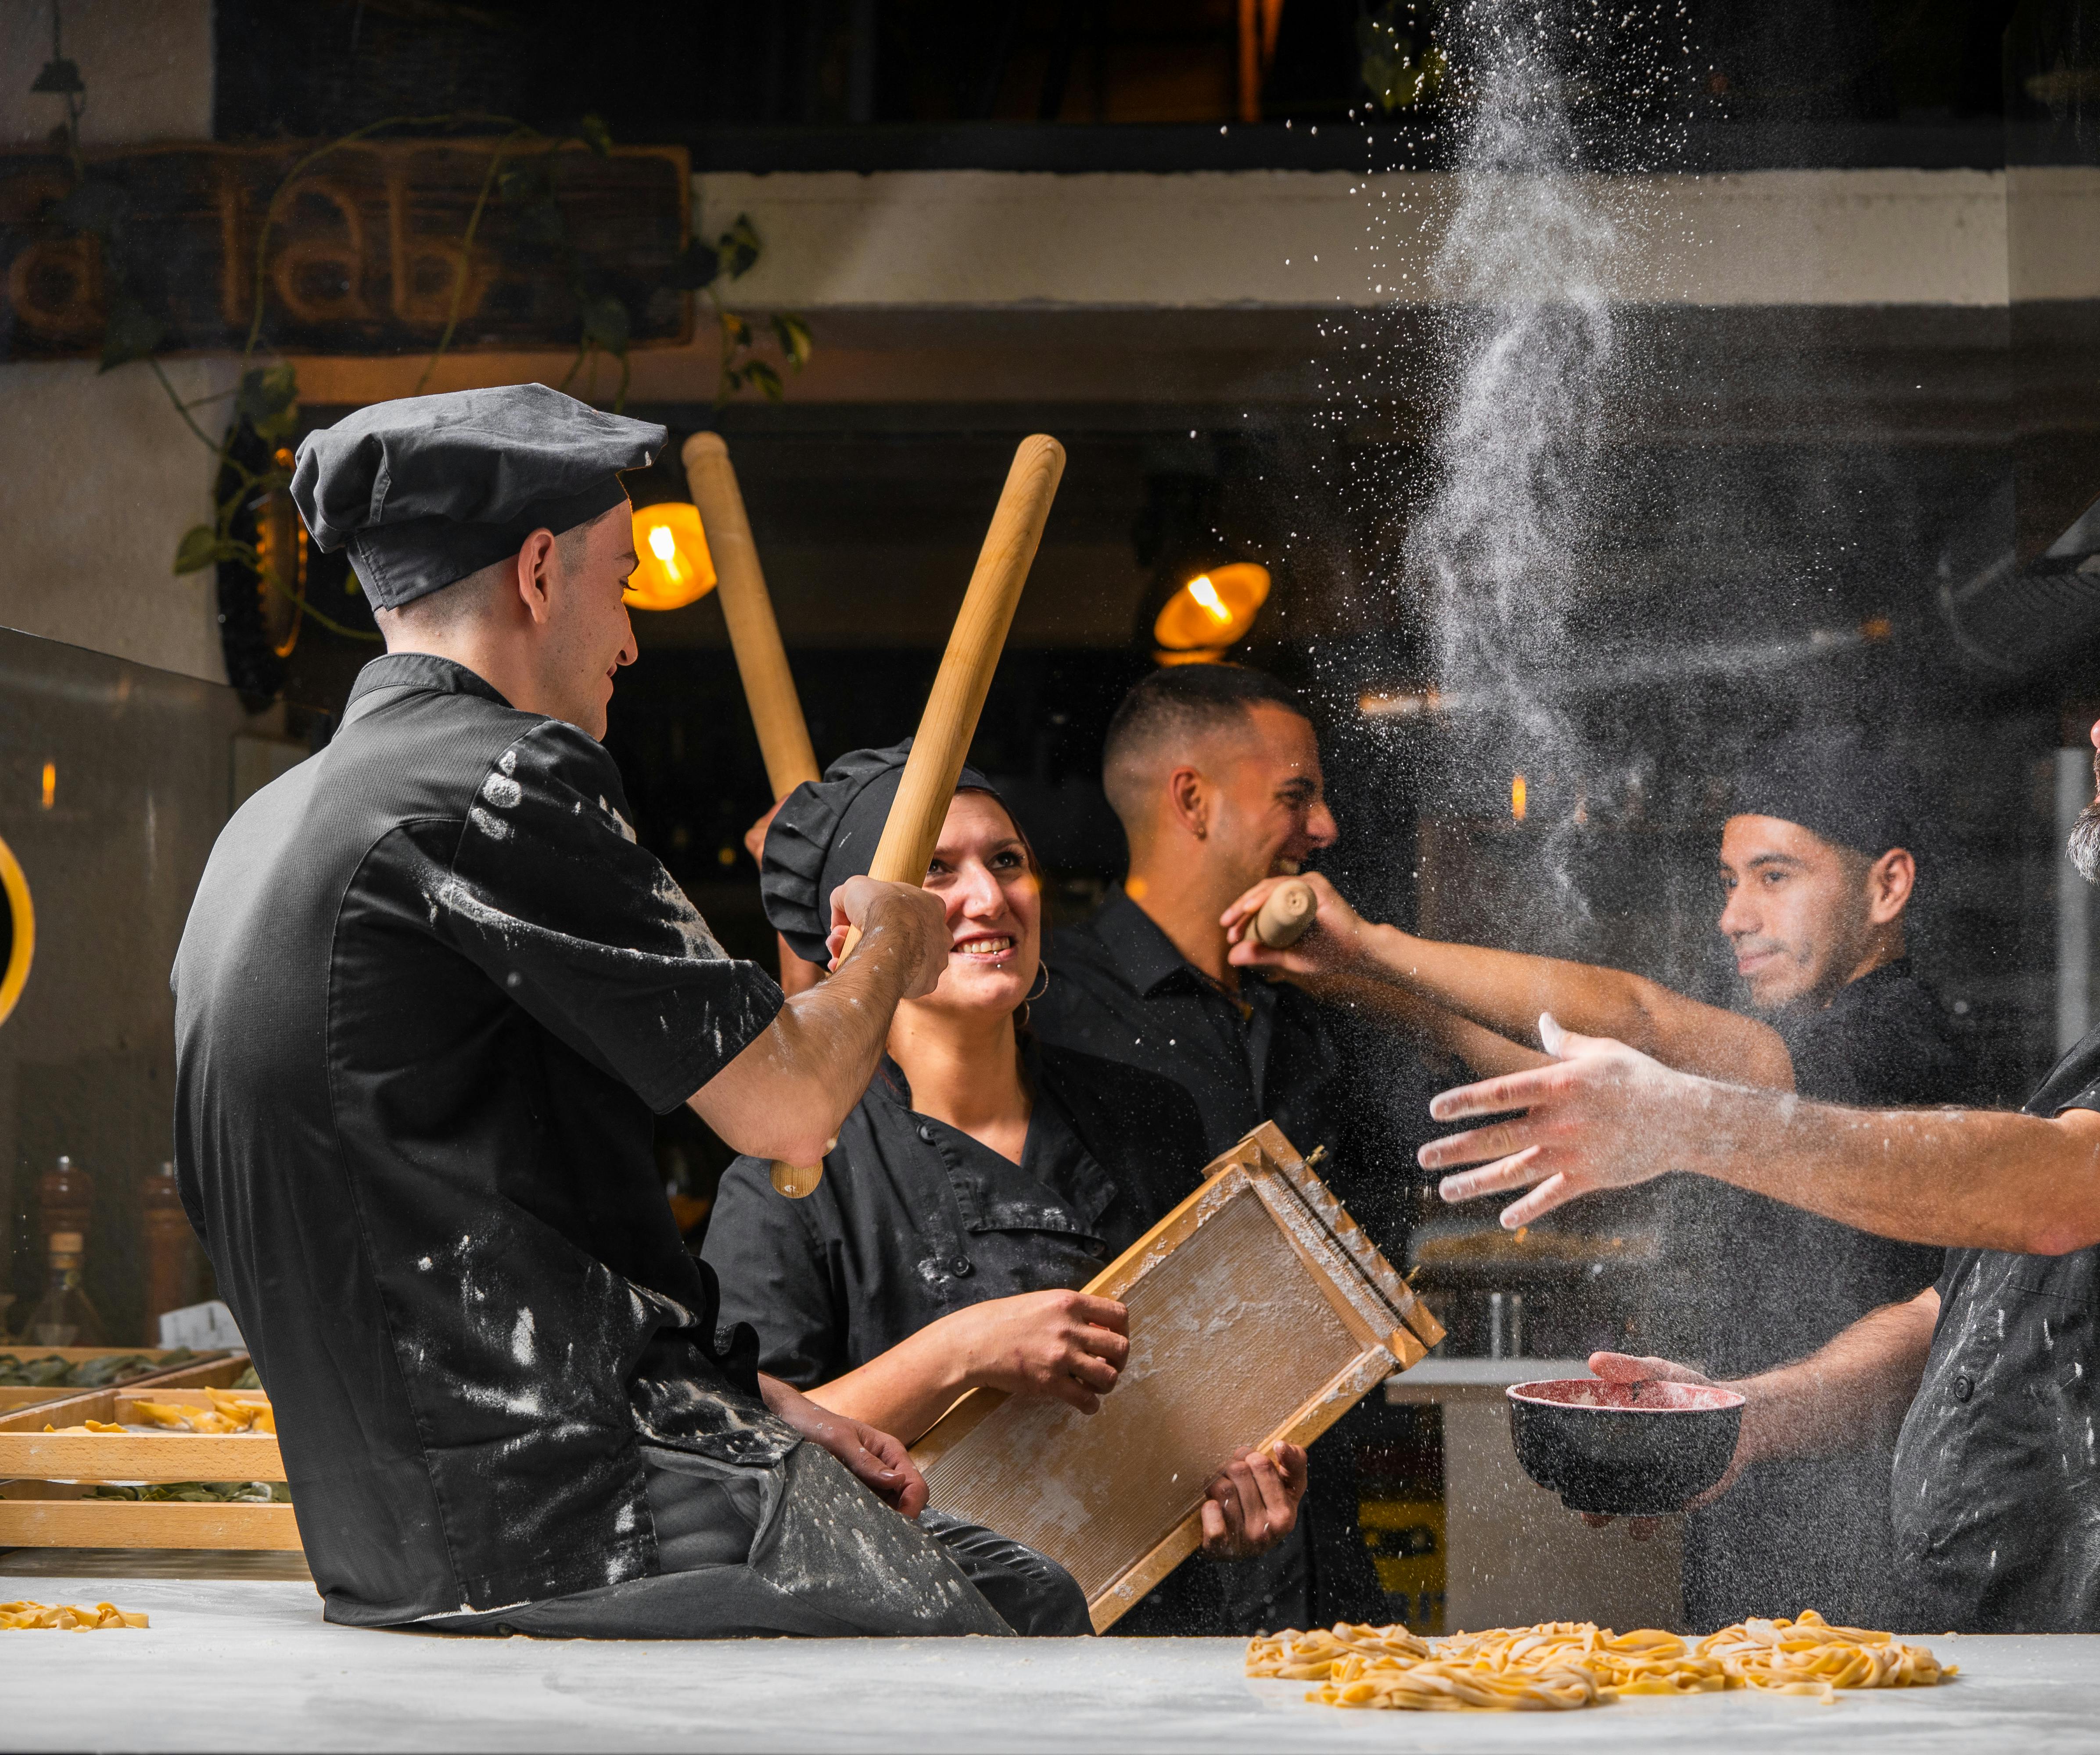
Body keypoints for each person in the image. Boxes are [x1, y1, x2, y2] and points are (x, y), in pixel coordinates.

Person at [1413, 503, 2100, 1634]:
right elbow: (1956, 1311)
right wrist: (1745, 1415)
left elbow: (2054, 1191)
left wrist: (1688, 1121)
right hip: (2014, 1657)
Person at [172, 384, 1084, 1638]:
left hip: (391, 1544)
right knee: (1027, 1611)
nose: (634, 641)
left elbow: (457, 1235)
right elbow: (791, 1104)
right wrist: (889, 940)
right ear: (540, 571)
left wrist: (744, 1395)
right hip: (574, 1519)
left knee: (1004, 1577)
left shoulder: (262, 827)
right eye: (624, 584)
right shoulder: (496, 779)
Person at [1221, 731, 1975, 1628]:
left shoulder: (1895, 1038)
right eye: (1729, 880)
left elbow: (1641, 1019)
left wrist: (1376, 945)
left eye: (1775, 876)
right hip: (1763, 1503)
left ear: (1888, 887)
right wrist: (1347, 977)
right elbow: (1553, 1062)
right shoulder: (1801, 1045)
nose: (1734, 916)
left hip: (1865, 1525)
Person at [703, 742, 1307, 1632]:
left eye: (1007, 860)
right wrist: (962, 1350)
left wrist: (1230, 1493)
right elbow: (731, 1452)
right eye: (935, 871)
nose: (988, 897)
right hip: (921, 1656)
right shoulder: (792, 1171)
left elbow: (1204, 1386)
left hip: (1146, 1649)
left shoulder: (1148, 1117)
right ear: (853, 937)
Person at [1030, 661, 1396, 1629]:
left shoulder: (1315, 998)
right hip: (1138, 1566)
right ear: (1192, 799)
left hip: (1325, 1548)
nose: (1325, 828)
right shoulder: (1047, 1009)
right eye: (1296, 795)